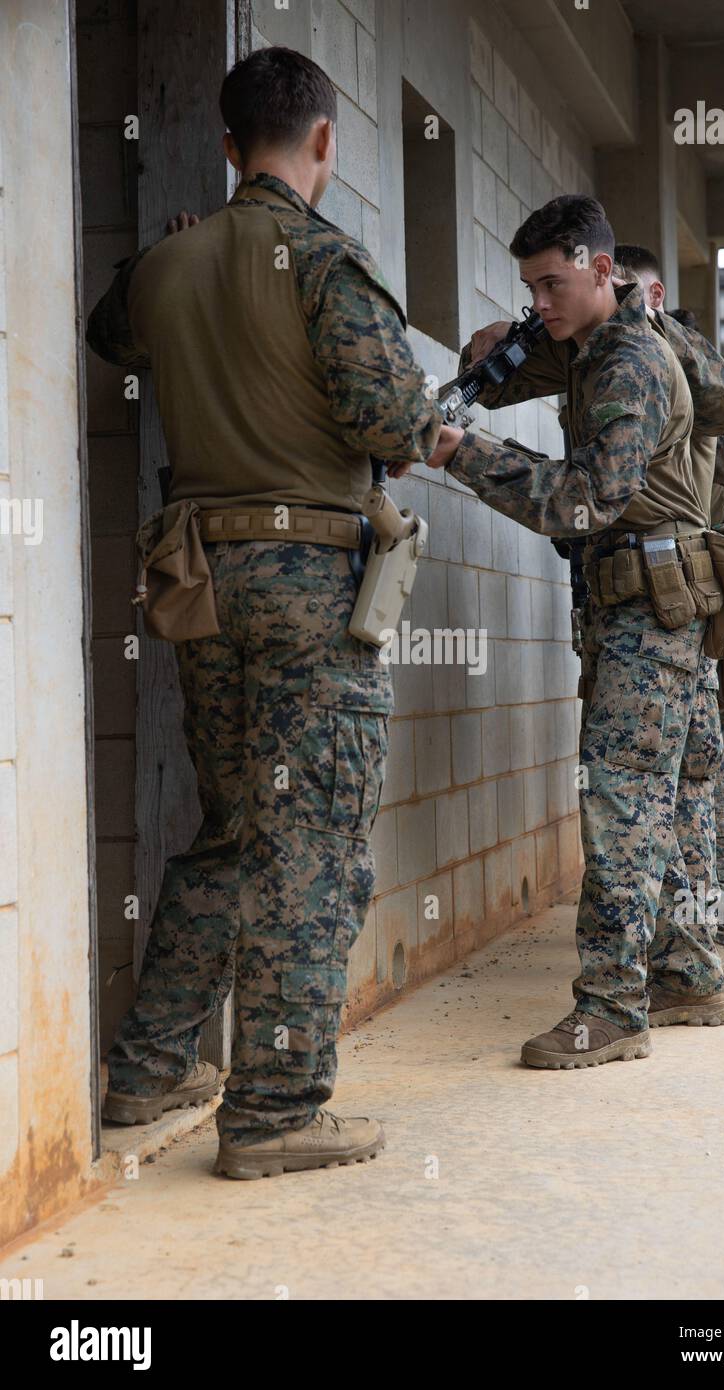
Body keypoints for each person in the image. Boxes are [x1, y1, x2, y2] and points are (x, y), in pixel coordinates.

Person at [86, 46, 457, 1179]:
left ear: (228, 138)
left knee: (237, 828)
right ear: (326, 142)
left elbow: (111, 334)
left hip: (201, 588)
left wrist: (183, 250)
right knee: (315, 852)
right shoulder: (327, 264)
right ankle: (275, 1110)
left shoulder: (165, 267)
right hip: (308, 593)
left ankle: (149, 1065)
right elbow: (394, 425)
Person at [428, 195, 724, 1069]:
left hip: (650, 611)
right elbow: (504, 368)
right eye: (530, 286)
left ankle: (612, 1008)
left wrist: (462, 452)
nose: (541, 302)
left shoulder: (631, 363)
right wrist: (489, 351)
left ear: (605, 270)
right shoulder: (585, 349)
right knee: (660, 798)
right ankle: (684, 970)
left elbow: (582, 500)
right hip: (639, 607)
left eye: (553, 282)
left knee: (620, 801)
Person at [612, 245, 724, 980]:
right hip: (626, 605)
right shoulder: (612, 365)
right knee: (679, 783)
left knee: (700, 776)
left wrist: (661, 331)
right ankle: (690, 951)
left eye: (628, 296)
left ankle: (711, 942)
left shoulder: (692, 376)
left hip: (690, 605)